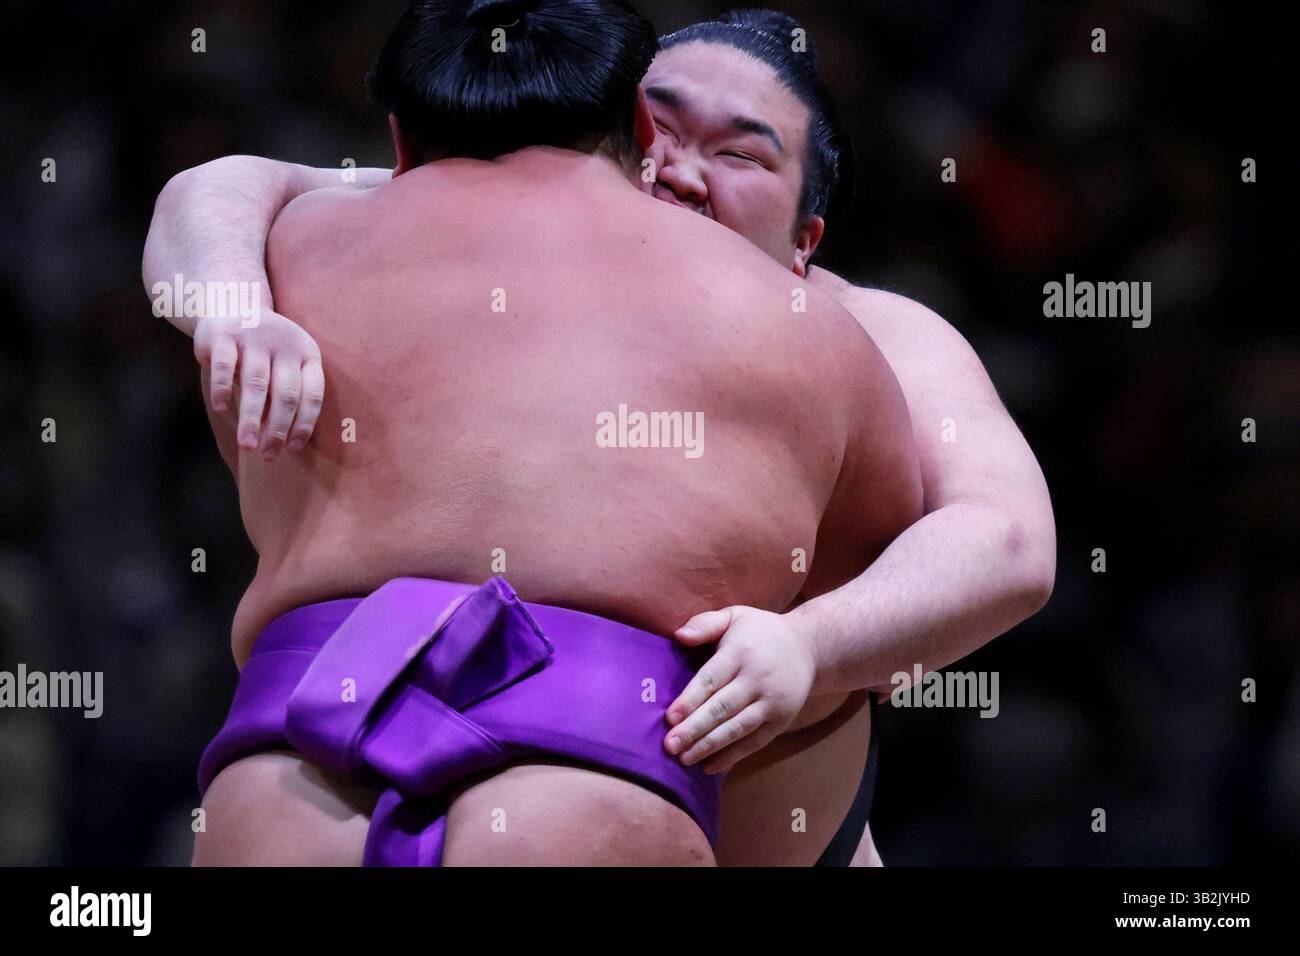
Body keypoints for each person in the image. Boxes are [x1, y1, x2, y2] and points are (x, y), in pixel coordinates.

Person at [144, 7, 1057, 866]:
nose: (681, 169)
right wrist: (229, 307)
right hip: (545, 773)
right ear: (615, 131)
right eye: (661, 124)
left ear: (805, 236)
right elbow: (228, 184)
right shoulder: (481, 221)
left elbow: (1008, 538)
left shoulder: (867, 328)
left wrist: (815, 643)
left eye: (741, 154)